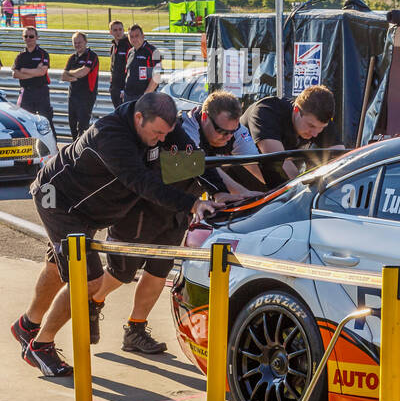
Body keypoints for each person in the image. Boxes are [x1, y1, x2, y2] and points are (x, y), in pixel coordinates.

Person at [12, 92, 214, 376]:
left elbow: (193, 162)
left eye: (166, 133)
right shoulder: (111, 136)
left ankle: (26, 325)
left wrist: (223, 190)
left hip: (90, 208)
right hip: (56, 198)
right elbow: (143, 183)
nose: (161, 140)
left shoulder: (163, 123)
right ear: (139, 118)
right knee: (88, 281)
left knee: (58, 269)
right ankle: (40, 345)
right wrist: (192, 204)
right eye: (156, 133)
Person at [95, 91, 261, 354]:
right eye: (221, 131)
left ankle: (135, 330)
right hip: (143, 207)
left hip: (178, 210)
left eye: (232, 132)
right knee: (121, 272)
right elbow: (196, 165)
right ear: (205, 118)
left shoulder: (229, 131)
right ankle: (93, 301)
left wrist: (254, 191)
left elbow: (241, 162)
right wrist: (221, 190)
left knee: (159, 270)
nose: (226, 137)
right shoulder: (181, 130)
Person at [242, 84, 340, 186]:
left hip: (275, 184)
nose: (315, 134)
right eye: (311, 126)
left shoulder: (318, 120)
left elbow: (340, 158)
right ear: (296, 110)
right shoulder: (266, 112)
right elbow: (280, 162)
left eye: (322, 128)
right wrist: (305, 189)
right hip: (238, 184)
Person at [11, 27, 55, 135]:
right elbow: (15, 74)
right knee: (25, 121)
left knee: (46, 120)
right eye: (26, 36)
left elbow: (42, 72)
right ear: (23, 38)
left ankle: (54, 147)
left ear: (37, 38)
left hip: (41, 92)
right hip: (26, 93)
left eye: (31, 36)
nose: (28, 39)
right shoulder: (20, 56)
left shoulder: (43, 54)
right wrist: (34, 72)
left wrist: (24, 70)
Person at [61, 32, 100, 140]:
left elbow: (83, 72)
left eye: (80, 42)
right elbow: (63, 76)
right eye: (75, 42)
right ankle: (75, 148)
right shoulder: (72, 57)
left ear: (85, 42)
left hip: (86, 96)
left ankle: (83, 150)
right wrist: (74, 76)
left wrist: (71, 73)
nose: (77, 45)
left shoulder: (92, 56)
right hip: (72, 95)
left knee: (82, 126)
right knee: (72, 125)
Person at [123, 24, 163, 102]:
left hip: (144, 97)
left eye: (137, 36)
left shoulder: (153, 51)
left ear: (143, 36)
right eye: (131, 37)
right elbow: (128, 73)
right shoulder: (130, 52)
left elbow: (157, 76)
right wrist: (123, 91)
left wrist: (146, 95)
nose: (134, 39)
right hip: (128, 96)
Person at [107, 20, 131, 109]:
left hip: (124, 89)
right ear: (110, 32)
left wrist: (125, 89)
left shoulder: (129, 45)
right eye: (115, 30)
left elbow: (130, 68)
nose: (118, 32)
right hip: (114, 88)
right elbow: (113, 68)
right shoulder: (113, 47)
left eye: (120, 29)